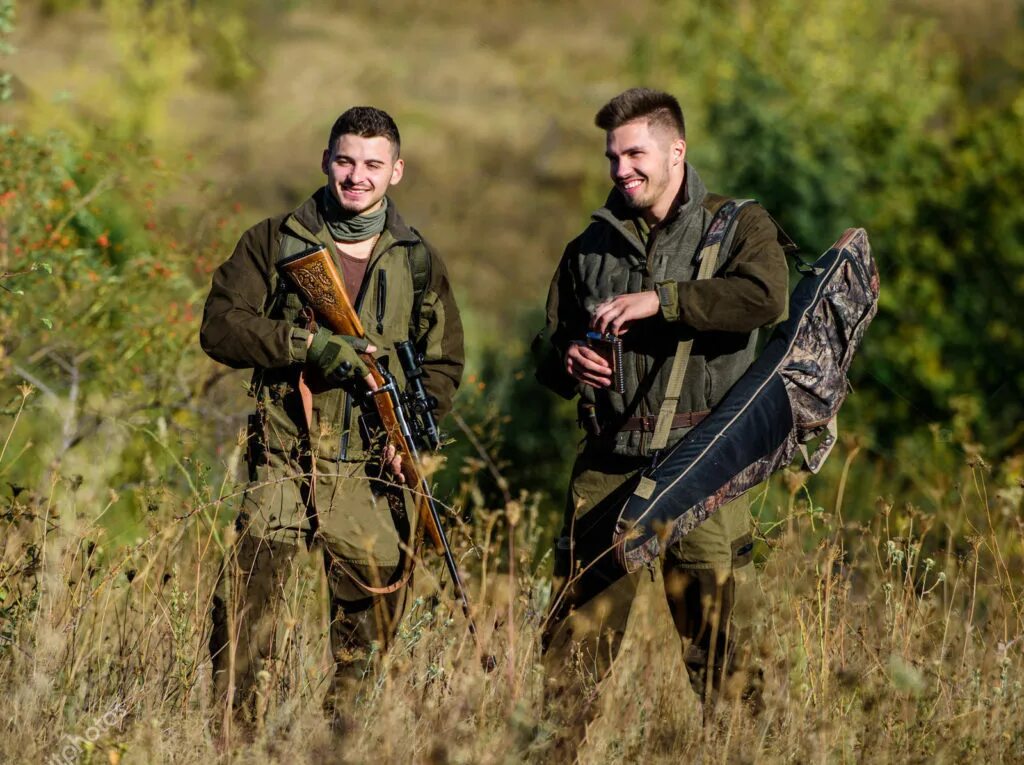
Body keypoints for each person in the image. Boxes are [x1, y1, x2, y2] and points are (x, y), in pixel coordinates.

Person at [534, 87, 789, 747]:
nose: (622, 170)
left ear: (677, 150)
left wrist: (662, 300)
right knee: (570, 661)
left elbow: (766, 297)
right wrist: (568, 360)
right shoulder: (590, 245)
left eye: (635, 153)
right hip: (608, 466)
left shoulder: (738, 226)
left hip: (704, 465)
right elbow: (549, 345)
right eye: (613, 157)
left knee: (726, 660)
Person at [200, 106, 464, 728]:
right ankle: (233, 738)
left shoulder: (418, 260)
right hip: (285, 459)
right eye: (345, 161)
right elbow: (220, 327)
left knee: (365, 626)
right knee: (245, 607)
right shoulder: (274, 240)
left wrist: (415, 442)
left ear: (397, 171)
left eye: (373, 164)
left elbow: (443, 363)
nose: (357, 176)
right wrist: (304, 345)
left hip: (371, 468)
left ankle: (343, 741)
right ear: (326, 161)